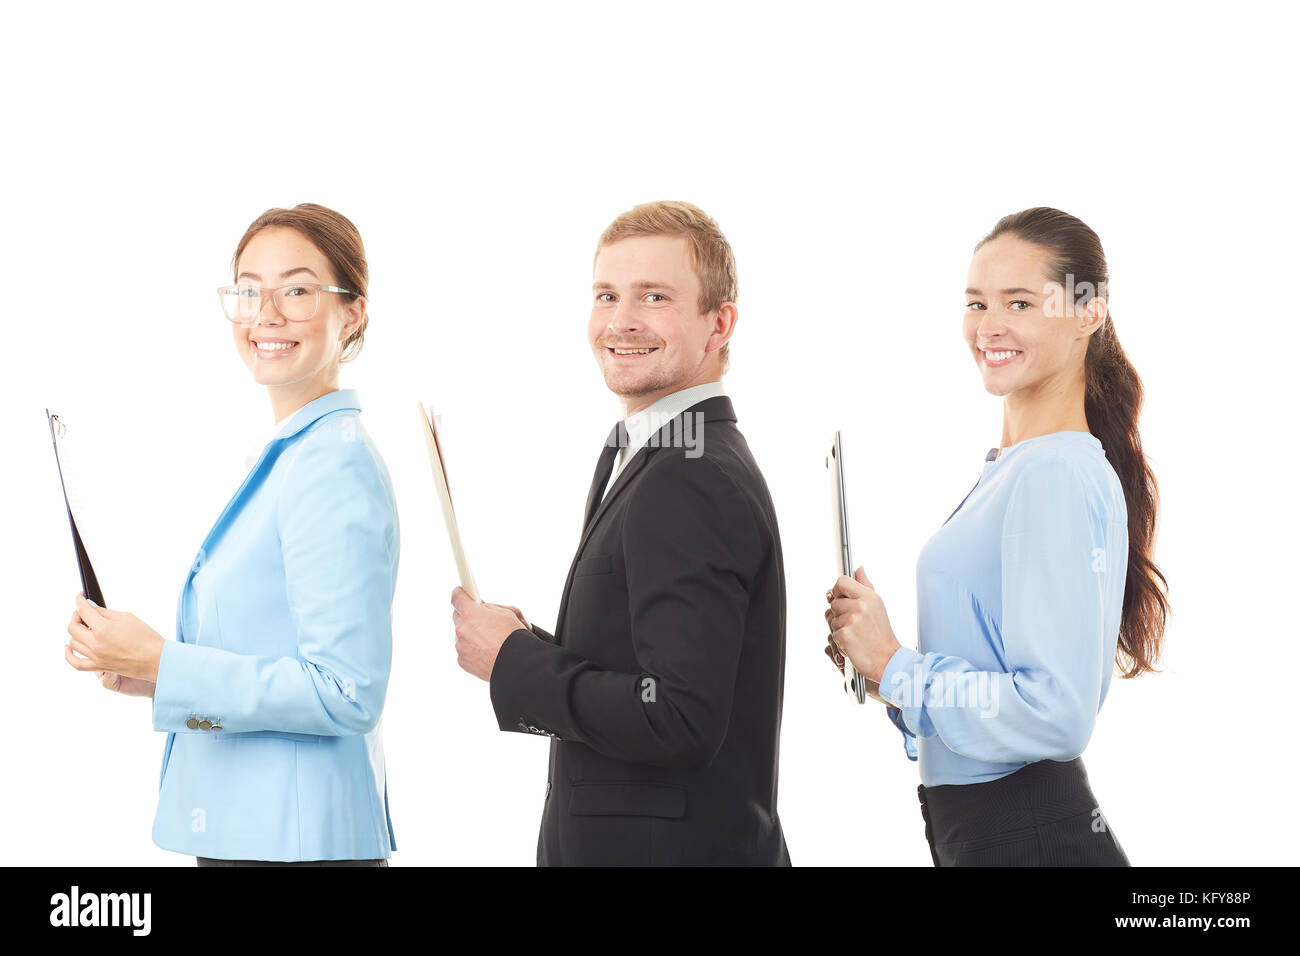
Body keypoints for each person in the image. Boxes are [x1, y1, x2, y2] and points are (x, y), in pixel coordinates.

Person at [450, 200, 790, 866]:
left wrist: (513, 665)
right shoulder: (655, 453)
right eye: (606, 295)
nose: (620, 322)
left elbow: (680, 717)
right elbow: (650, 673)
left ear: (718, 323)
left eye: (653, 297)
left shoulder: (690, 476)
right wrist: (524, 645)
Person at [825, 206, 1168, 866]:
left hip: (1025, 836)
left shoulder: (1054, 475)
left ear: (1088, 312)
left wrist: (899, 666)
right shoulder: (1018, 469)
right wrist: (885, 677)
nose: (989, 327)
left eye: (1019, 302)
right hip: (988, 832)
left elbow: (1057, 713)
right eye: (976, 303)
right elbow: (998, 686)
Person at [65, 203, 399, 866]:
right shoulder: (298, 452)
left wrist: (166, 662)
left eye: (297, 290)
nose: (265, 314)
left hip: (294, 846)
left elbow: (344, 691)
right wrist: (148, 673)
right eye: (249, 289)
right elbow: (269, 647)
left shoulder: (331, 463)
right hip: (259, 835)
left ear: (352, 312)